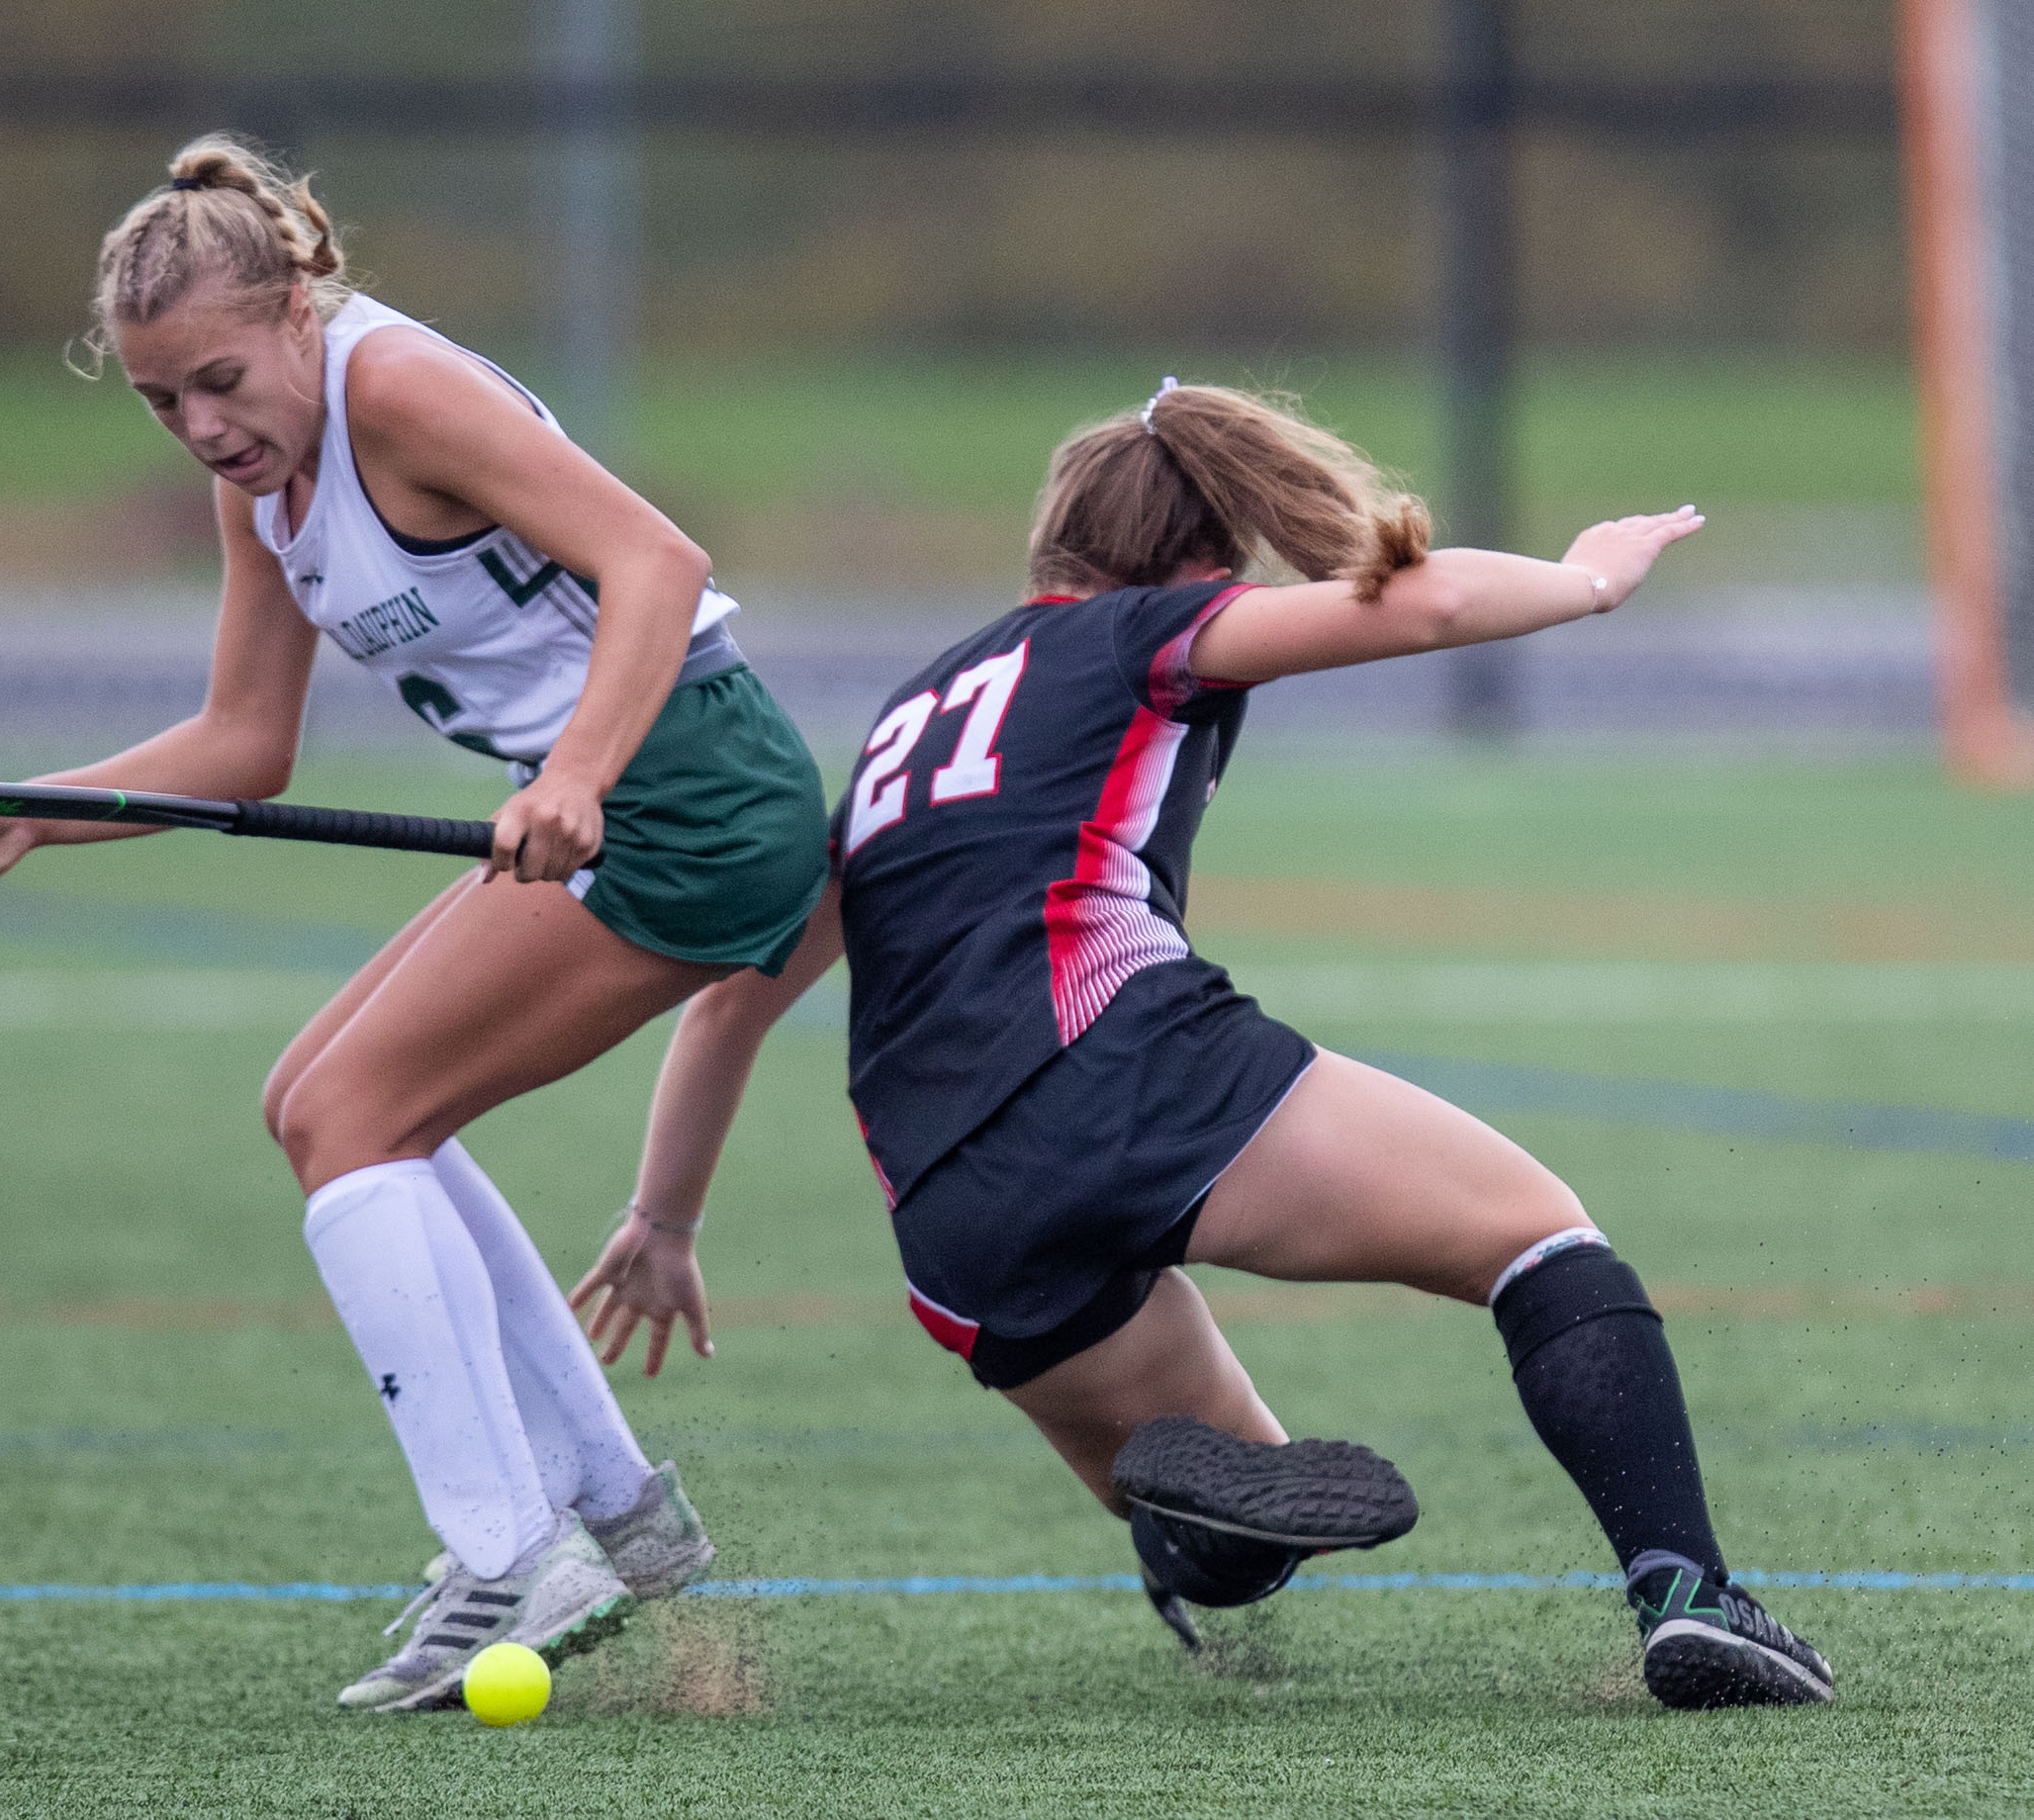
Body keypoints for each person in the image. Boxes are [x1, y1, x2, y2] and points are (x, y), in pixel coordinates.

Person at [572, 379, 1834, 1710]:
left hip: (948, 1202)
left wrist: (664, 1220)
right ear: (1202, 558)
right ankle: (1688, 1597)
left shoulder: (912, 717)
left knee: (1244, 1520)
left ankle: (1198, 1535)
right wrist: (1589, 579)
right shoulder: (1141, 631)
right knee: (1540, 1242)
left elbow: (731, 1000)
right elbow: (1427, 605)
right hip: (1124, 1068)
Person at [0, 136, 829, 1713]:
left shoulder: (396, 390)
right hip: (606, 800)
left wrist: (577, 772)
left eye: (219, 380)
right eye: (162, 401)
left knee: (357, 1113)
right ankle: (615, 1509)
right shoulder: (262, 479)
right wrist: (32, 809)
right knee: (313, 1102)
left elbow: (657, 557)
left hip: (693, 795)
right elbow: (243, 743)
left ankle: (514, 1552)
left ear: (300, 311)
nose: (201, 426)